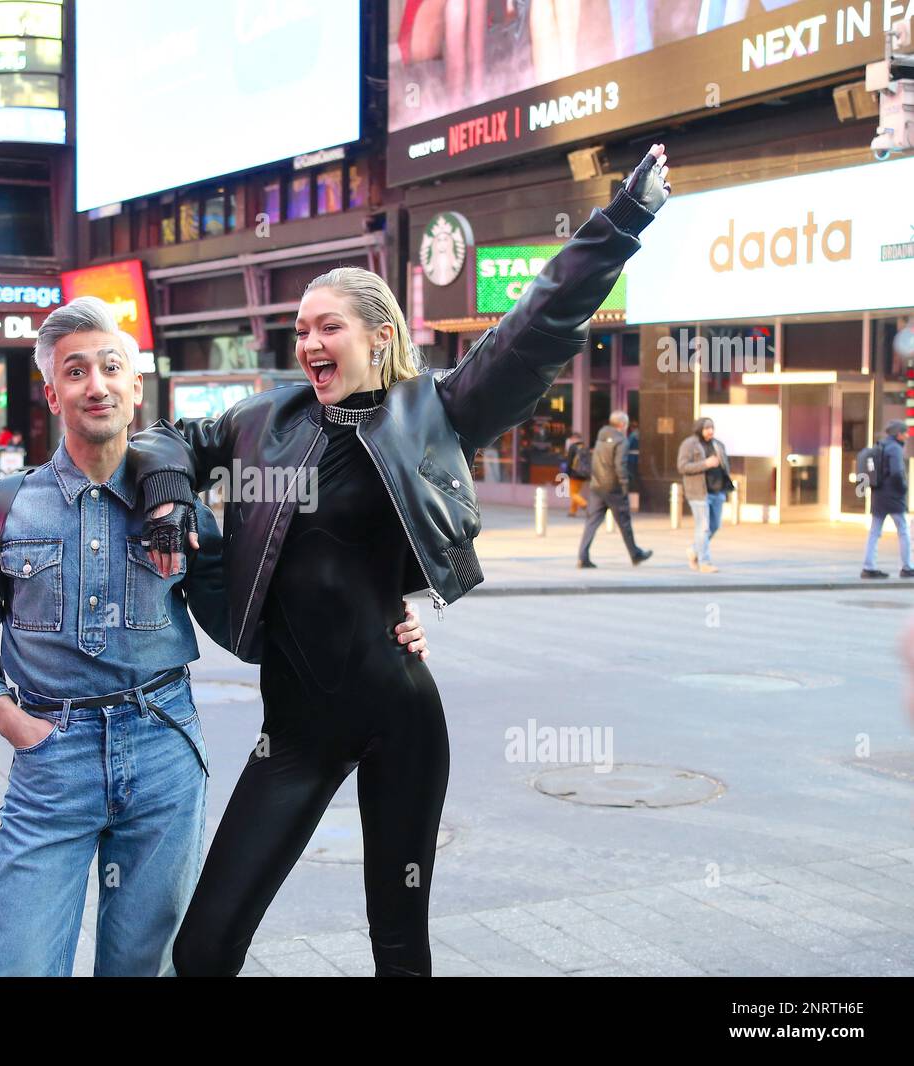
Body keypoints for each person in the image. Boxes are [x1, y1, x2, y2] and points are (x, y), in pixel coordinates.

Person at [132, 146, 672, 976]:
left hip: (401, 720)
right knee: (205, 946)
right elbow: (166, 437)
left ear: (379, 337)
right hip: (294, 737)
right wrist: (171, 490)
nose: (308, 340)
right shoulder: (263, 420)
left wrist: (622, 220)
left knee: (399, 947)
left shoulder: (433, 413)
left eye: (329, 326)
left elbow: (536, 329)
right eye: (301, 328)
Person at [0, 296, 432, 976]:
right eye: (75, 371)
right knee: (17, 961)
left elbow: (253, 619)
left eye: (112, 367)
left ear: (136, 388)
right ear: (52, 392)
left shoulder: (183, 509)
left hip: (162, 750)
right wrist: (7, 715)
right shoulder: (2, 507)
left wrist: (381, 620)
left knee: (144, 964)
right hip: (53, 758)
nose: (96, 384)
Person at [577, 411, 652, 569]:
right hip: (613, 488)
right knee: (624, 523)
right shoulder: (622, 441)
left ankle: (582, 556)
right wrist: (625, 486)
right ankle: (635, 554)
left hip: (597, 486)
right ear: (622, 425)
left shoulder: (601, 436)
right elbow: (620, 466)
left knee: (591, 522)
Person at [677, 416, 733, 573]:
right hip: (698, 492)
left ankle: (694, 550)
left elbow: (725, 464)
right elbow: (682, 466)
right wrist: (705, 464)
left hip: (717, 490)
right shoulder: (689, 444)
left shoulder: (717, 444)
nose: (710, 431)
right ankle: (704, 562)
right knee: (703, 527)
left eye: (712, 428)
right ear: (700, 429)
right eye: (707, 428)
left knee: (715, 526)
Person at [861, 419, 914, 579]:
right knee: (903, 531)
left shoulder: (880, 445)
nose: (907, 435)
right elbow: (897, 472)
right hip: (893, 496)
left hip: (878, 494)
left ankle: (868, 567)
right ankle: (907, 567)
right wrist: (903, 489)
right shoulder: (895, 449)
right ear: (898, 434)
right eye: (905, 432)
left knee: (874, 532)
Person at [564, 431, 590, 516]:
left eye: (571, 439)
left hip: (574, 474)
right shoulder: (585, 447)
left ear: (573, 439)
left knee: (573, 493)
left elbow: (569, 462)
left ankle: (585, 504)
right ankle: (572, 511)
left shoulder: (573, 447)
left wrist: (566, 474)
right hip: (583, 474)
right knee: (576, 492)